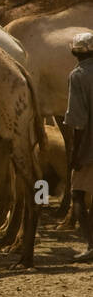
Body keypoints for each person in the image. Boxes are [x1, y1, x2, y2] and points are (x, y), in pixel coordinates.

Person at [64, 32, 93, 262]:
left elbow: (78, 121)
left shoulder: (78, 76)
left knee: (77, 196)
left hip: (88, 149)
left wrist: (75, 154)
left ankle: (91, 245)